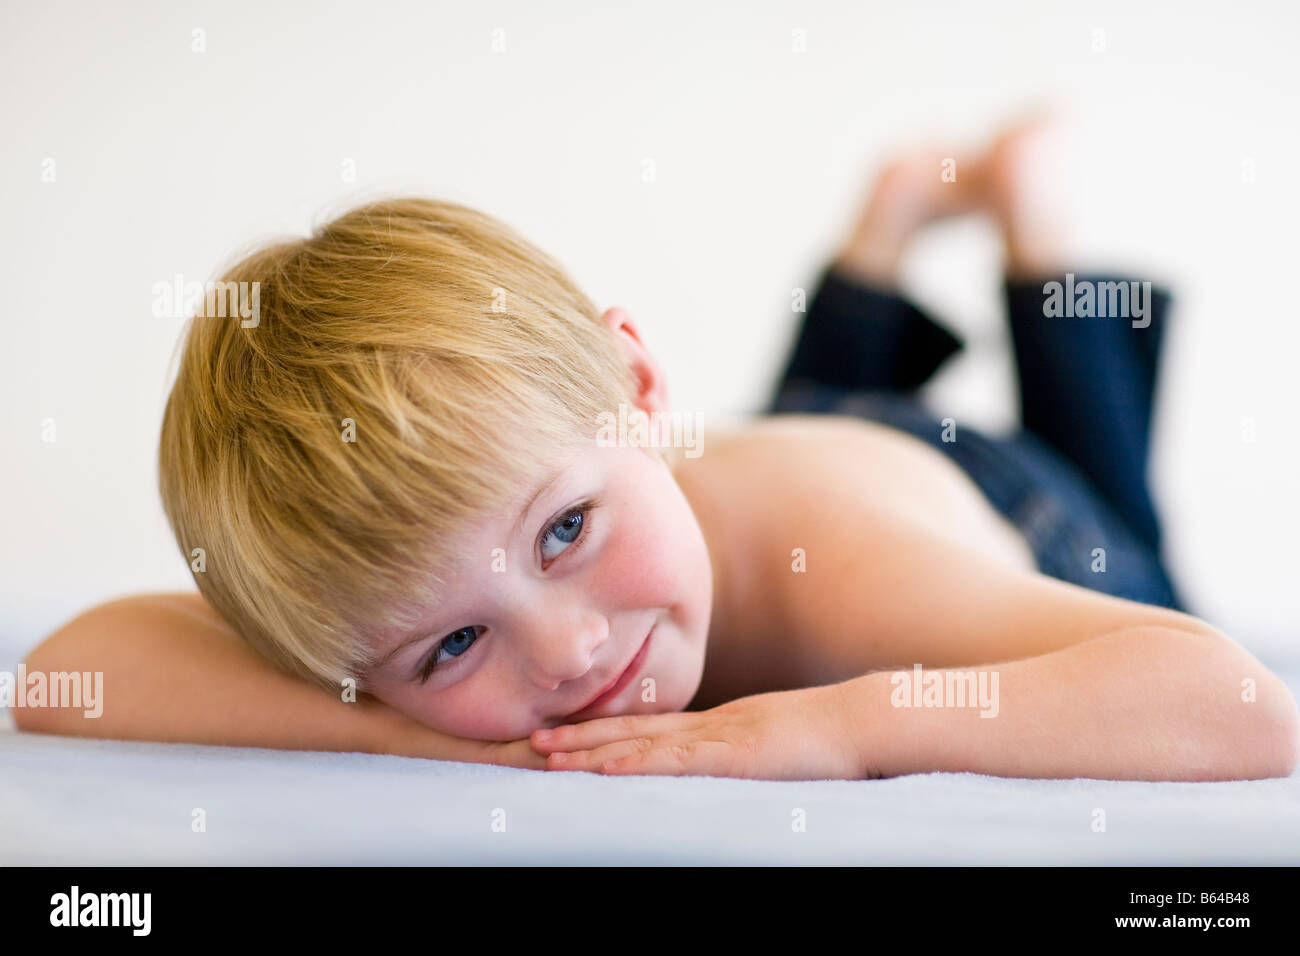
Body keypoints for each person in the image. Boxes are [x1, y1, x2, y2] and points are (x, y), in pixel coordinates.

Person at [16, 120, 1299, 781]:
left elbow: (1236, 702)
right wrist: (415, 732)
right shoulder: (560, 507)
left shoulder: (853, 585)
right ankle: (882, 229)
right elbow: (61, 674)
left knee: (1134, 533)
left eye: (563, 530)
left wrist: (833, 730)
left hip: (977, 506)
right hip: (754, 458)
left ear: (635, 380)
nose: (568, 654)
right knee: (765, 429)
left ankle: (1032, 218)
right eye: (449, 644)